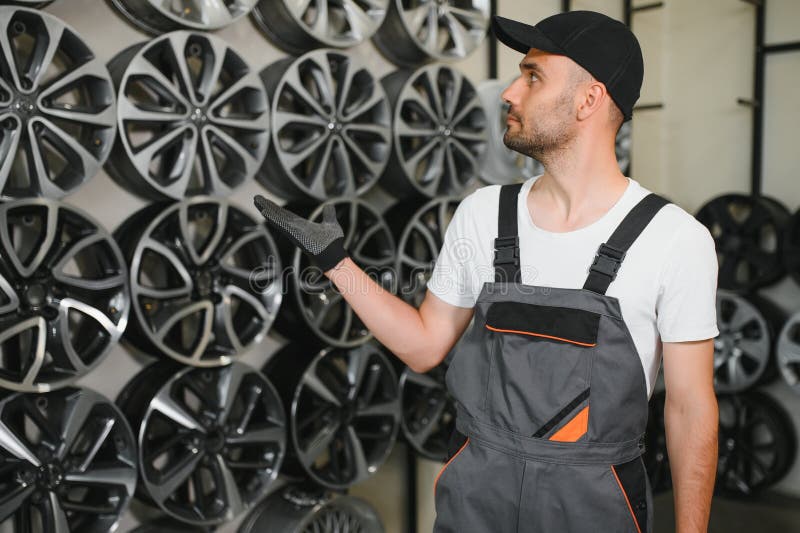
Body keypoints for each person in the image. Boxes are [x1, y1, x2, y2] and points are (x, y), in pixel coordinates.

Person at [254, 10, 718, 533]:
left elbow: (690, 411)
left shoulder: (675, 239)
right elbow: (425, 345)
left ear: (590, 98)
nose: (508, 93)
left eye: (533, 76)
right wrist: (337, 264)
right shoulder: (483, 214)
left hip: (592, 504)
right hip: (476, 498)